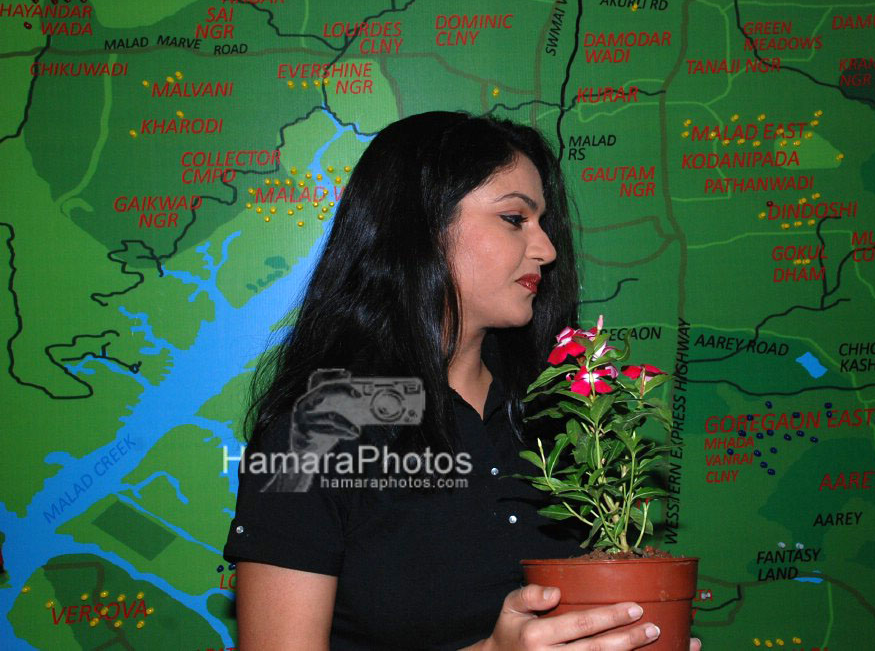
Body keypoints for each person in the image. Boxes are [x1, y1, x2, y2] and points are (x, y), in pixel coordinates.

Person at [223, 111, 701, 650]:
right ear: (422, 226)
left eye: (544, 224)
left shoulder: (561, 415)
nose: (546, 250)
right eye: (515, 218)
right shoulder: (323, 423)